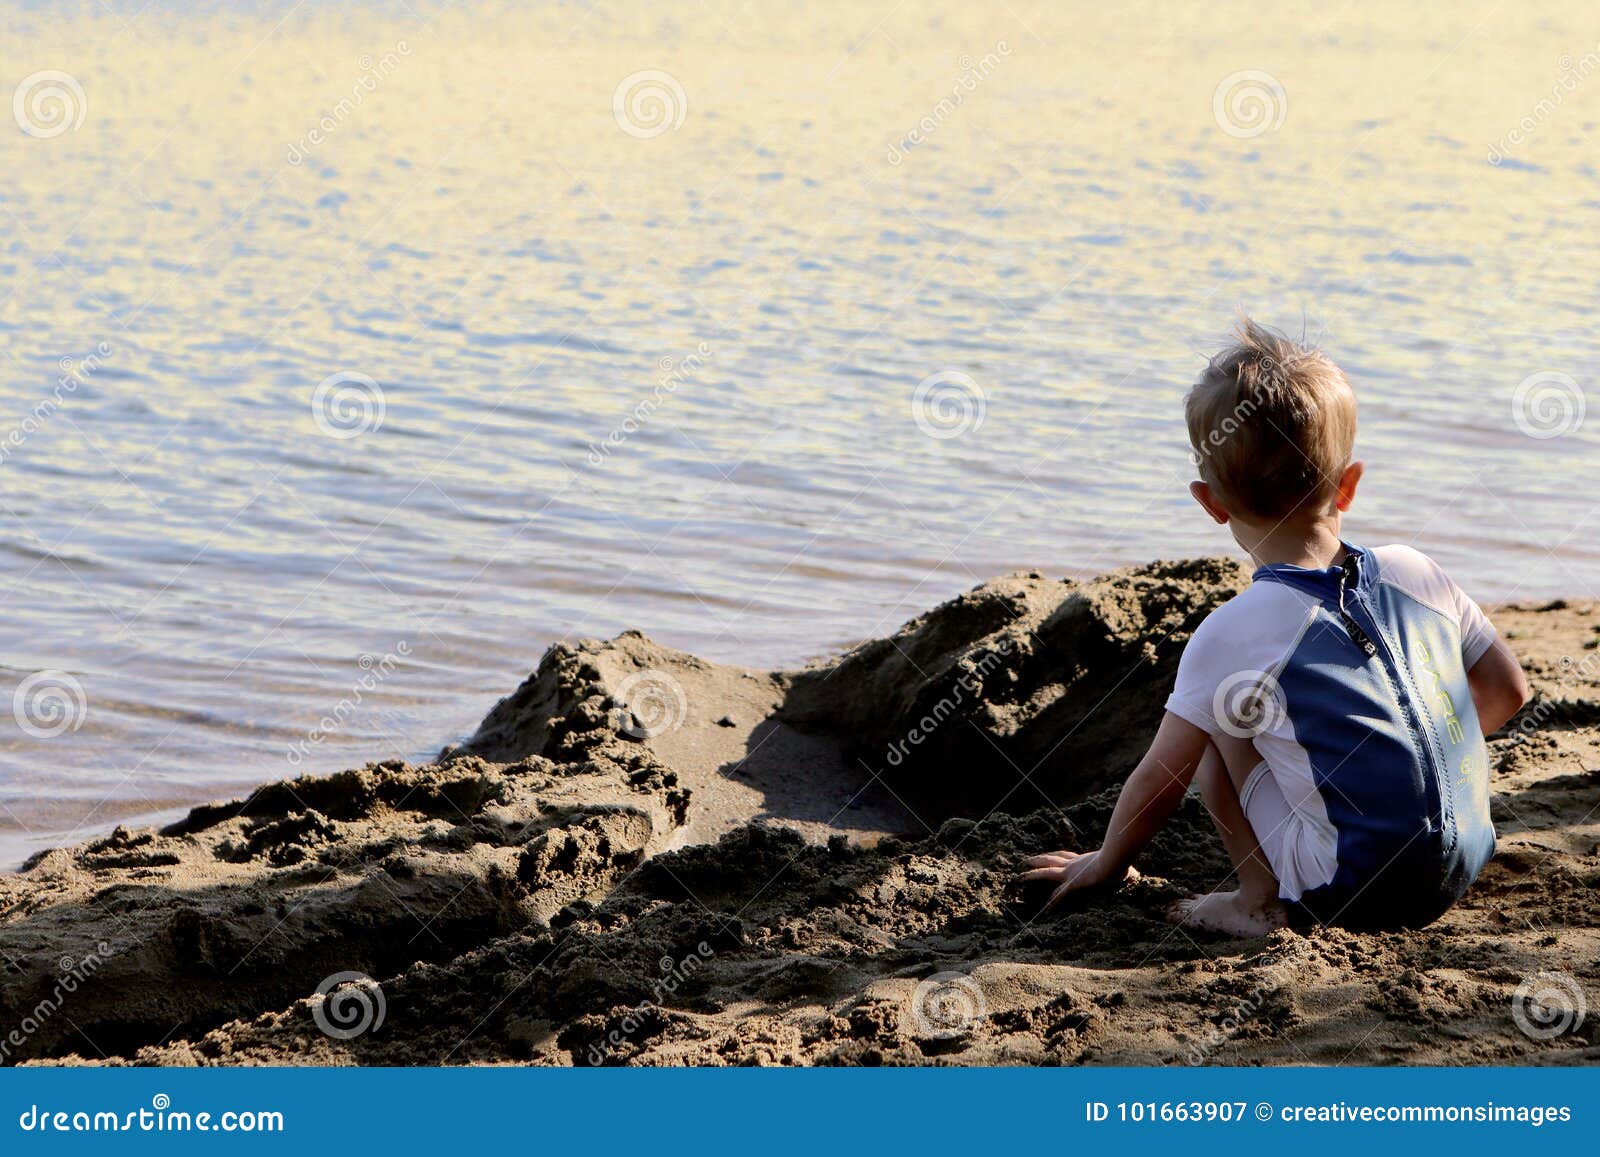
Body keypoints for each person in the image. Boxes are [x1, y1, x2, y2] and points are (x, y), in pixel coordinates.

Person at [1021, 319, 1530, 933]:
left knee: (1219, 723)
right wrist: (1413, 759)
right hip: (1461, 860)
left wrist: (1106, 864)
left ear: (1210, 502)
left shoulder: (1233, 631)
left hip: (1352, 890)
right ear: (1349, 485)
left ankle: (1257, 901)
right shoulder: (1416, 570)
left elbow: (1161, 778)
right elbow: (1509, 690)